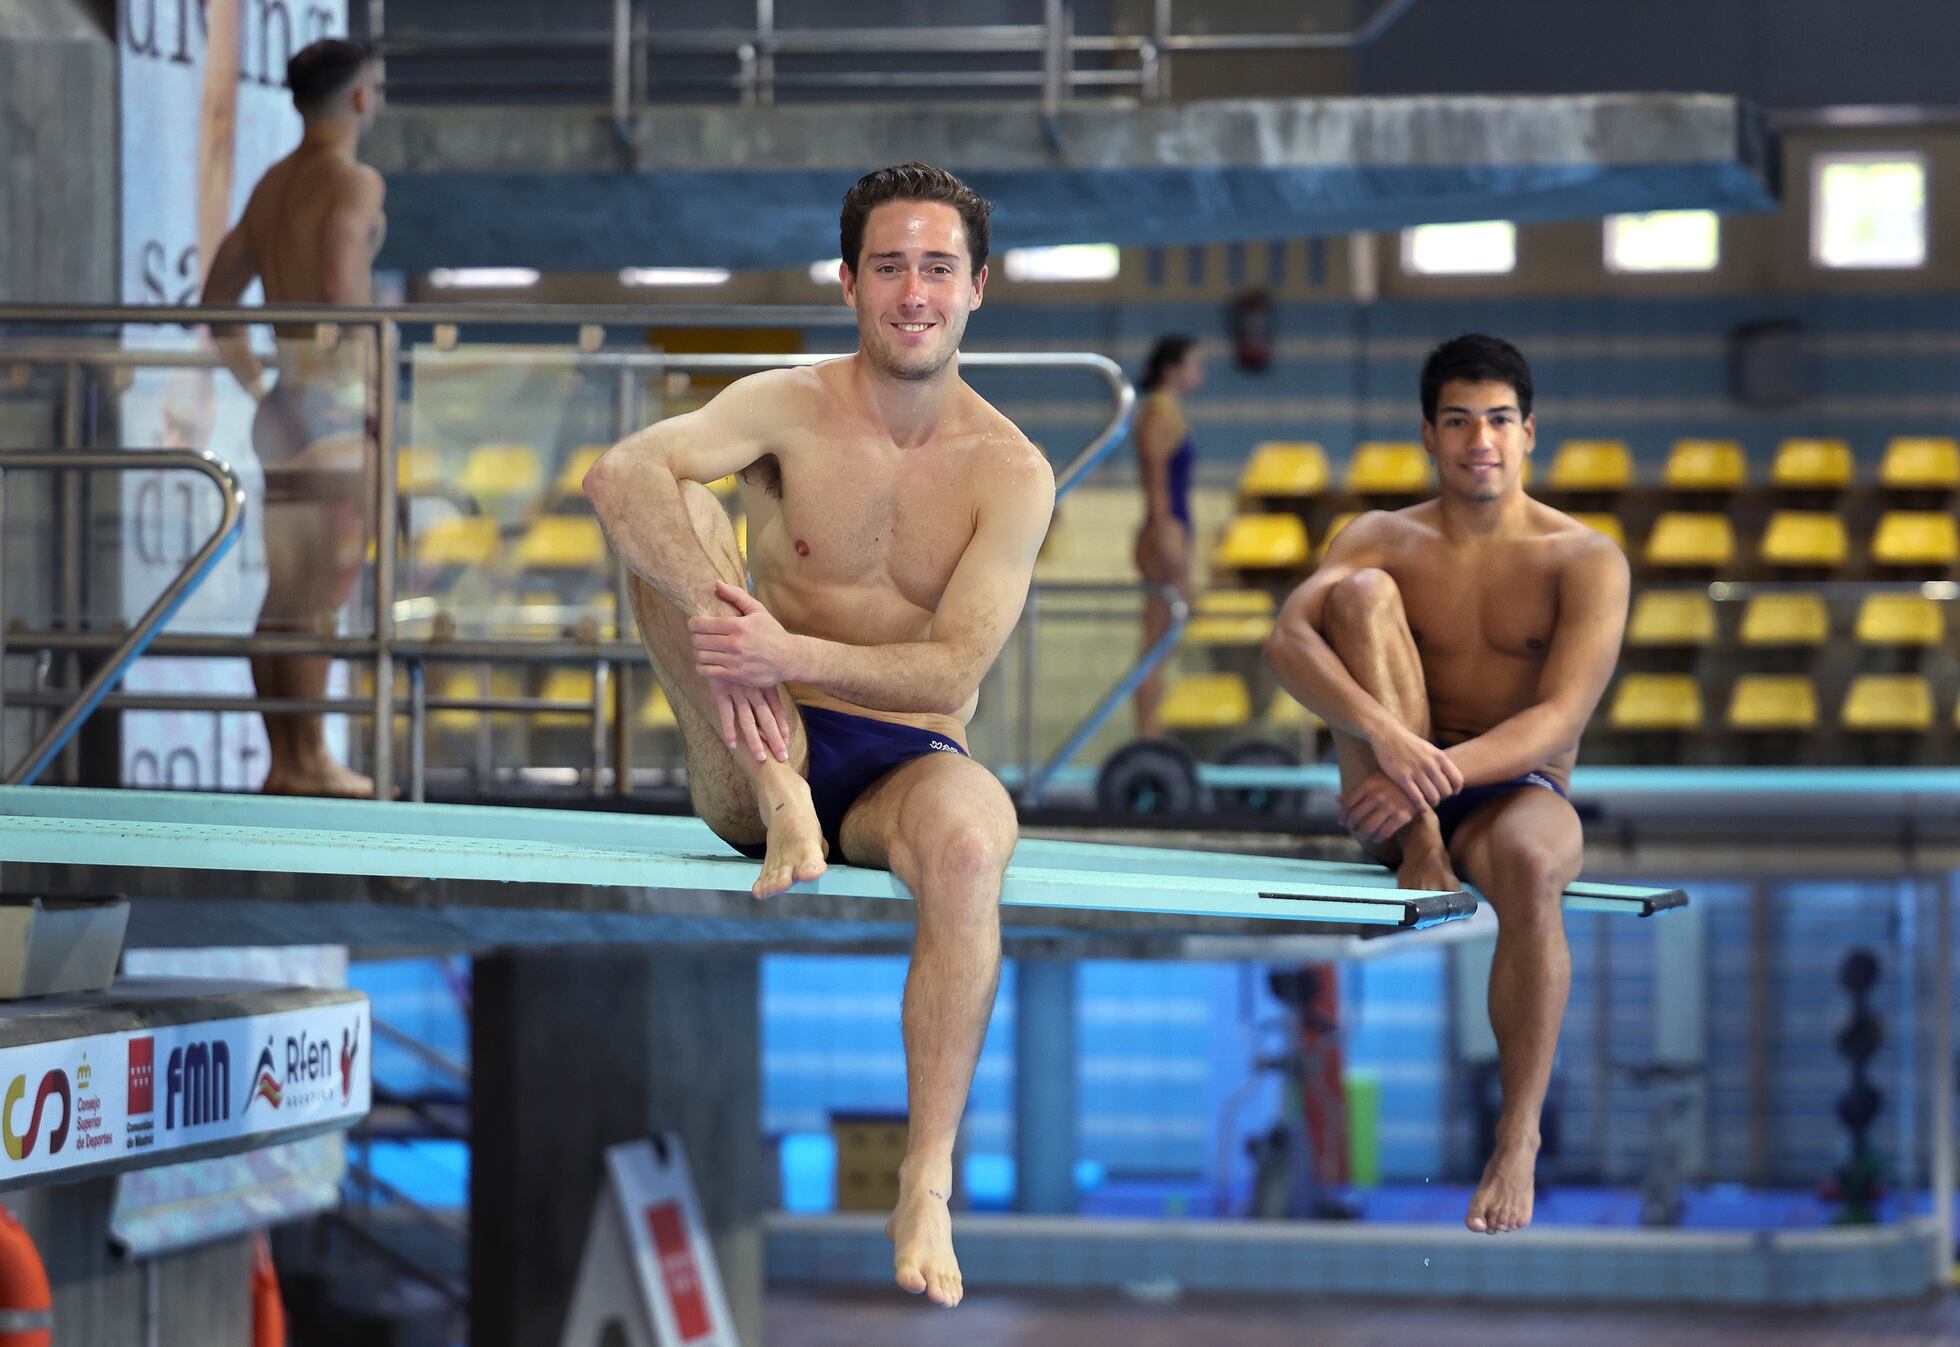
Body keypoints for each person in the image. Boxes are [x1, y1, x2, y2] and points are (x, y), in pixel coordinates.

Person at [584, 163, 1054, 1309]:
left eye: (937, 268)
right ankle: (779, 787)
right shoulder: (785, 406)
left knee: (972, 842)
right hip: (751, 742)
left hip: (901, 755)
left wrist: (788, 653)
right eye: (888, 267)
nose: (912, 293)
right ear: (848, 283)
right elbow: (616, 473)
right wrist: (751, 663)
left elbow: (953, 669)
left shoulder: (1010, 470)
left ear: (976, 287)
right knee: (669, 503)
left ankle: (926, 1180)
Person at [1264, 333, 1628, 1235]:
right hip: (1393, 786)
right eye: (1459, 422)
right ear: (1428, 435)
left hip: (1515, 784)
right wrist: (1394, 742)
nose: (1480, 441)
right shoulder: (1379, 536)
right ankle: (1420, 845)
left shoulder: (1584, 558)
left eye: (1499, 420)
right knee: (1359, 596)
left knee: (1535, 866)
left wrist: (1438, 772)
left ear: (1529, 432)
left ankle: (1517, 1135)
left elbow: (1560, 717)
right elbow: (1287, 641)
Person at [201, 38, 388, 798]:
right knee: (324, 587)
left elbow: (217, 302)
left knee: (285, 590)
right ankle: (310, 760)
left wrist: (260, 387)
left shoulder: (272, 186)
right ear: (361, 98)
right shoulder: (354, 181)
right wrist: (369, 390)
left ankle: (287, 759)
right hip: (334, 401)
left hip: (285, 402)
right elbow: (342, 284)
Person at [1130, 335, 1203, 739]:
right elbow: (1157, 486)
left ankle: (1150, 732)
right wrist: (1166, 535)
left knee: (1163, 642)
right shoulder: (1157, 414)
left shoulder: (1167, 411)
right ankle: (1147, 735)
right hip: (1164, 531)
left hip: (1172, 528)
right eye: (1194, 365)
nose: (1199, 374)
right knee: (1155, 644)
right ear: (1172, 369)